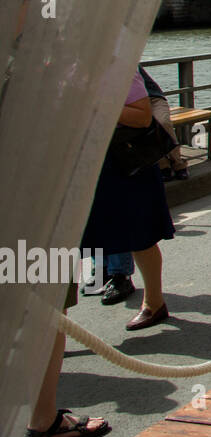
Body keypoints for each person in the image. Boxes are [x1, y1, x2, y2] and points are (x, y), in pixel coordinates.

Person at [80, 67, 174, 330]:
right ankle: (55, 323)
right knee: (77, 236)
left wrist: (90, 104)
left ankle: (153, 302)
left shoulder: (119, 64)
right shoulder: (62, 60)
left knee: (139, 235)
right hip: (83, 158)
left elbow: (142, 117)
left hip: (121, 161)